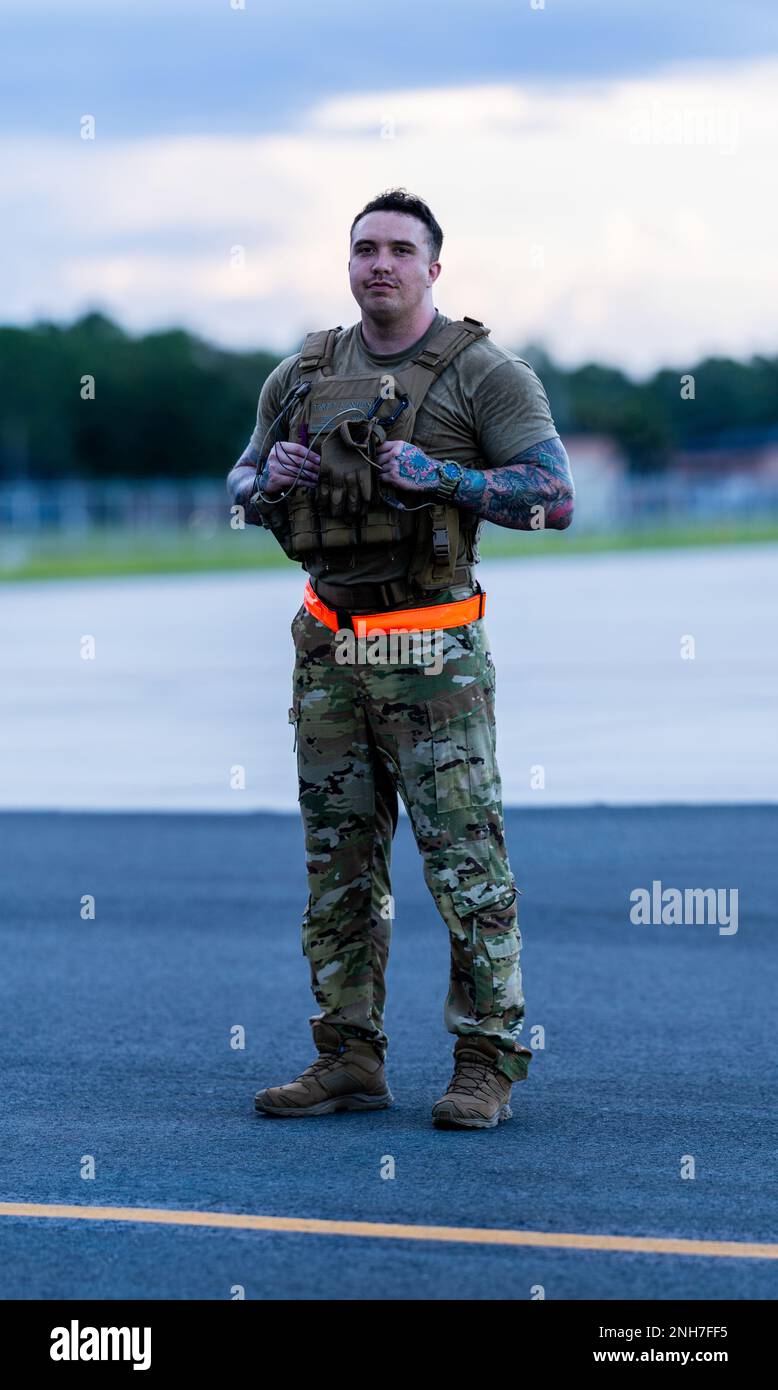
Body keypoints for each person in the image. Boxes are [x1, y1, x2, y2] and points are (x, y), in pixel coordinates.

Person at [226, 188, 574, 1130]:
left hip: (433, 655)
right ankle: (348, 1057)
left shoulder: (485, 374)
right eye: (363, 250)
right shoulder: (301, 372)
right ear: (349, 265)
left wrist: (443, 477)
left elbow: (555, 496)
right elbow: (239, 476)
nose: (379, 264)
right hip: (329, 646)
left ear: (432, 267)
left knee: (465, 865)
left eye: (398, 251)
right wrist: (271, 479)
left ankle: (485, 1062)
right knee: (338, 864)